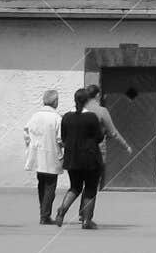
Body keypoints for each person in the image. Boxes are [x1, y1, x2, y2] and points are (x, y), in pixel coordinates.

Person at [55, 88, 103, 229]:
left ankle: (62, 210)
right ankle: (87, 220)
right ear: (87, 100)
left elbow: (64, 138)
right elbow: (99, 137)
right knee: (90, 188)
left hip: (72, 158)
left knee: (75, 187)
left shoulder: (67, 117)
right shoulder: (91, 117)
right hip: (90, 158)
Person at [24, 90, 63, 225]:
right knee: (50, 187)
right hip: (52, 155)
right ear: (55, 101)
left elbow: (26, 134)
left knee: (41, 185)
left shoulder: (34, 116)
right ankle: (45, 215)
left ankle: (43, 212)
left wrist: (30, 147)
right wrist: (62, 151)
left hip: (37, 155)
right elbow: (60, 139)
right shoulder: (57, 118)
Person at [85, 84, 135, 182]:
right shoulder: (101, 111)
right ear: (97, 95)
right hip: (96, 150)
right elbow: (113, 132)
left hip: (78, 150)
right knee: (94, 183)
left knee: (79, 184)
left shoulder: (79, 110)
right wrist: (126, 145)